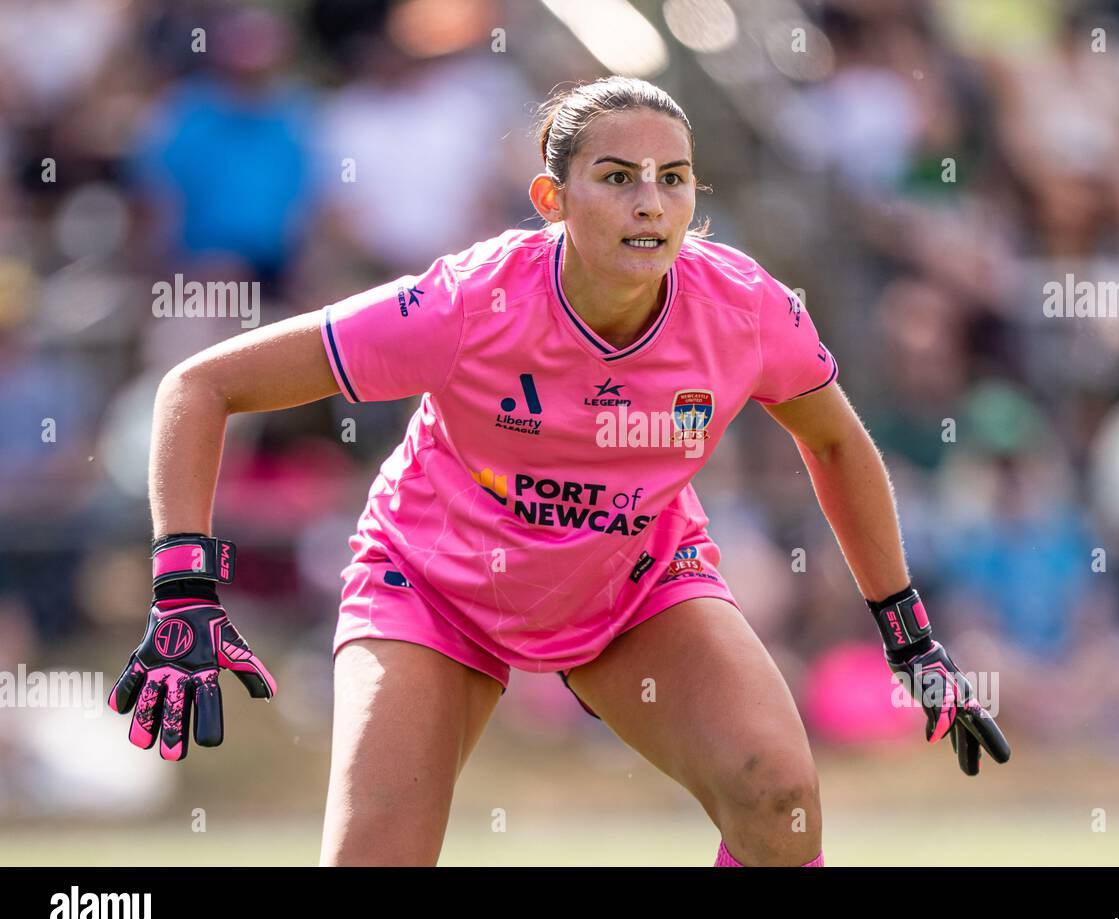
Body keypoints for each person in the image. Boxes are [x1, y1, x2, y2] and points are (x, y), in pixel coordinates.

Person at [109, 76, 1009, 867]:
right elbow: (200, 386)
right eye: (617, 179)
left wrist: (909, 634)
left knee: (782, 803)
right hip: (431, 587)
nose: (650, 203)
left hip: (635, 585)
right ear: (553, 198)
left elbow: (838, 444)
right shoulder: (466, 303)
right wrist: (182, 590)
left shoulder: (747, 309)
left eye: (674, 180)